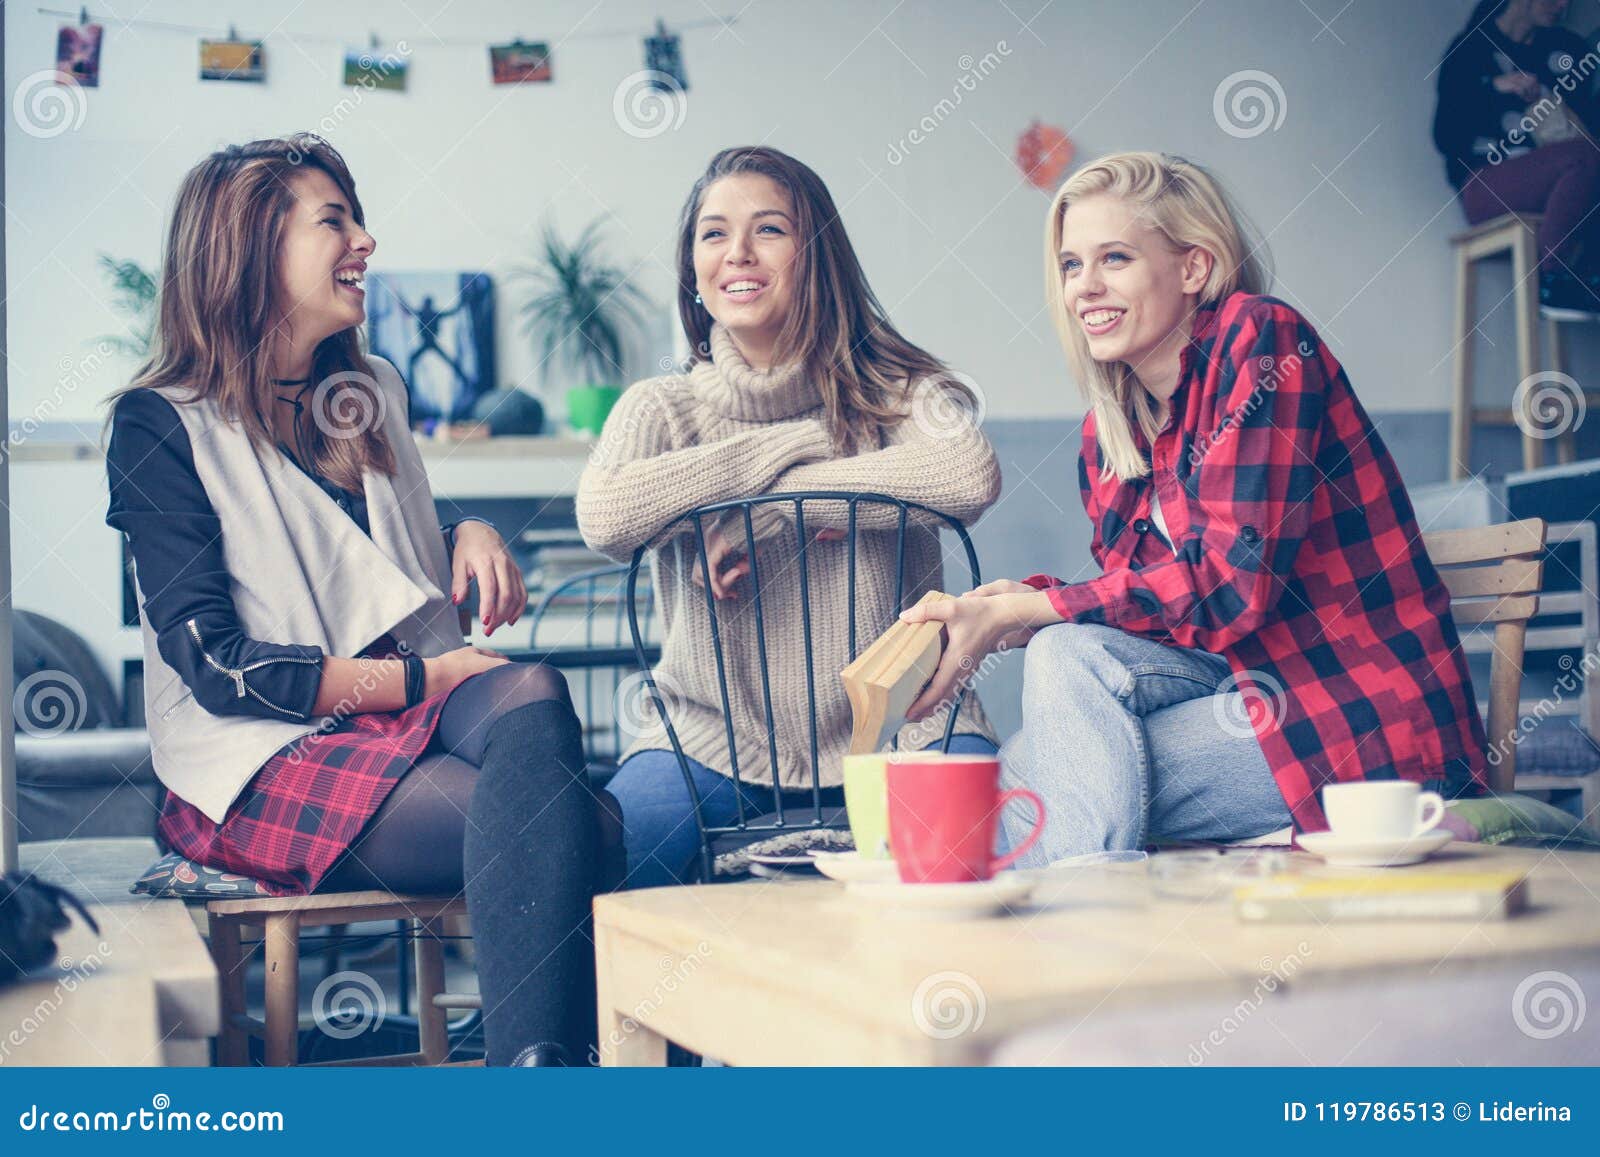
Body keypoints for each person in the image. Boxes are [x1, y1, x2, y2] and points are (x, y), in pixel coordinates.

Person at [104, 134, 620, 1066]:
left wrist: (464, 527)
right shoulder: (160, 422)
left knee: (531, 688)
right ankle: (545, 1072)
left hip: (392, 719)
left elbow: (364, 536)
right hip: (257, 758)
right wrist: (424, 677)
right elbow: (219, 668)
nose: (365, 242)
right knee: (592, 829)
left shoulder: (366, 387)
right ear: (250, 245)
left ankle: (531, 1078)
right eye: (334, 221)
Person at [900, 152, 1488, 863]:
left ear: (1194, 268)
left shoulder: (1262, 341)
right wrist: (1017, 606)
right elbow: (1163, 621)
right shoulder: (1110, 433)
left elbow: (1231, 591)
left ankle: (1083, 916)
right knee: (1050, 715)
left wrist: (1038, 611)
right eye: (1071, 265)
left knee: (1038, 774)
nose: (1085, 286)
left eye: (1114, 258)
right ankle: (1094, 901)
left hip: (1352, 719)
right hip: (1238, 701)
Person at [577, 146, 1002, 887]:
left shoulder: (899, 389)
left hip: (909, 726)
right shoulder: (660, 408)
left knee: (975, 867)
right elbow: (607, 515)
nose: (737, 252)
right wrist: (791, 446)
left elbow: (967, 474)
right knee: (611, 864)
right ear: (692, 267)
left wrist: (775, 513)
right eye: (713, 233)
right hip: (708, 740)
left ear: (818, 256)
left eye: (768, 229)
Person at [1433, 0, 1600, 314]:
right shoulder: (1472, 49)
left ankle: (1586, 277)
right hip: (1485, 185)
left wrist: (1551, 103)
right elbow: (1445, 137)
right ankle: (1553, 278)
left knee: (1587, 156)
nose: (1562, 5)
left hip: (1558, 183)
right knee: (1583, 157)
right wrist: (1492, 88)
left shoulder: (1568, 50)